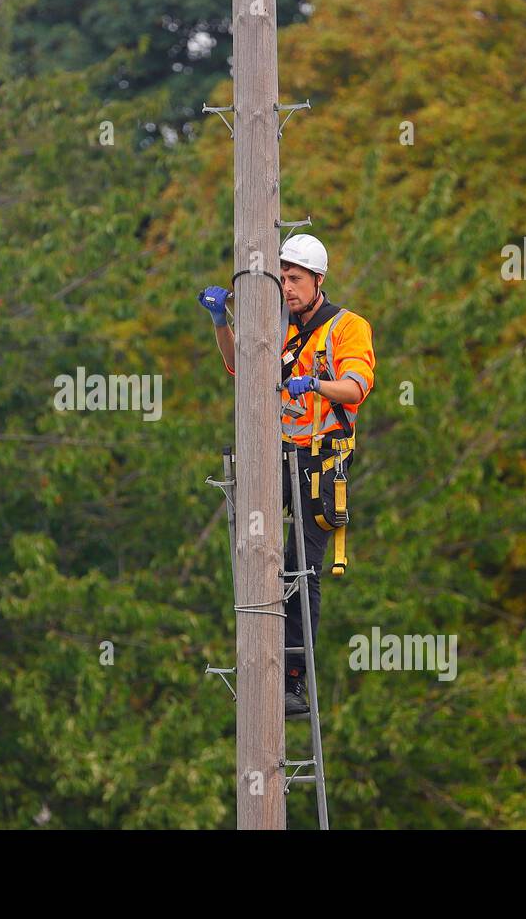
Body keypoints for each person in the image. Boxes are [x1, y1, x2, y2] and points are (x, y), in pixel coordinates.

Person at [198, 234, 376, 716]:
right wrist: (221, 323)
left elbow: (356, 388)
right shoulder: (273, 323)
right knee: (254, 548)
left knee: (303, 565)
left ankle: (293, 679)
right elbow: (239, 366)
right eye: (283, 279)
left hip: (320, 462)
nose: (288, 288)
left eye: (296, 279)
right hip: (274, 454)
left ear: (318, 280)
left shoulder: (345, 327)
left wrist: (314, 382)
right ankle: (254, 655)